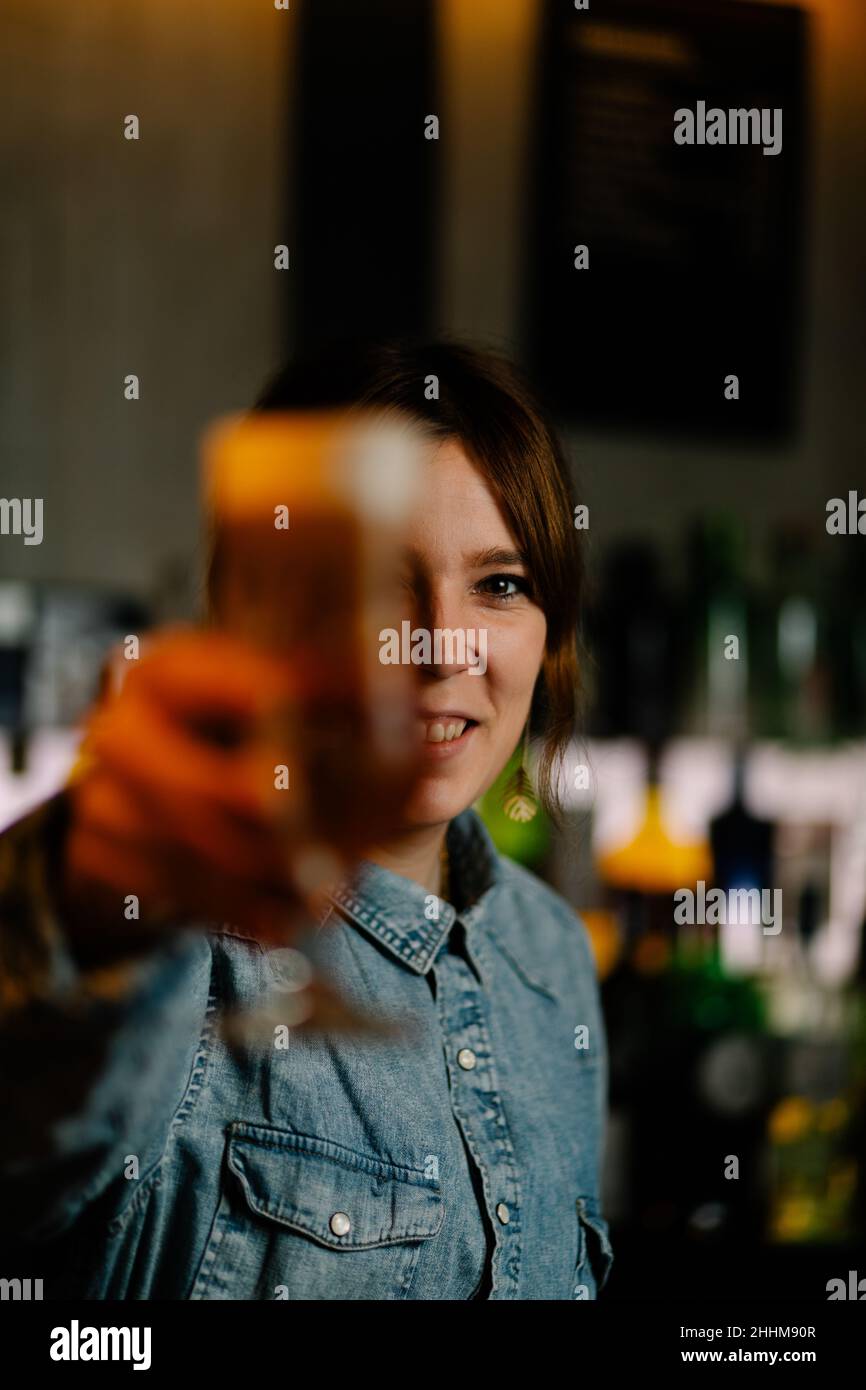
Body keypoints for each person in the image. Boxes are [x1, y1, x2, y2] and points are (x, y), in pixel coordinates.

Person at [0, 338, 613, 1300]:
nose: (442, 646)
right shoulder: (172, 936)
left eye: (500, 584)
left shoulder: (552, 956)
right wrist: (84, 894)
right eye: (383, 580)